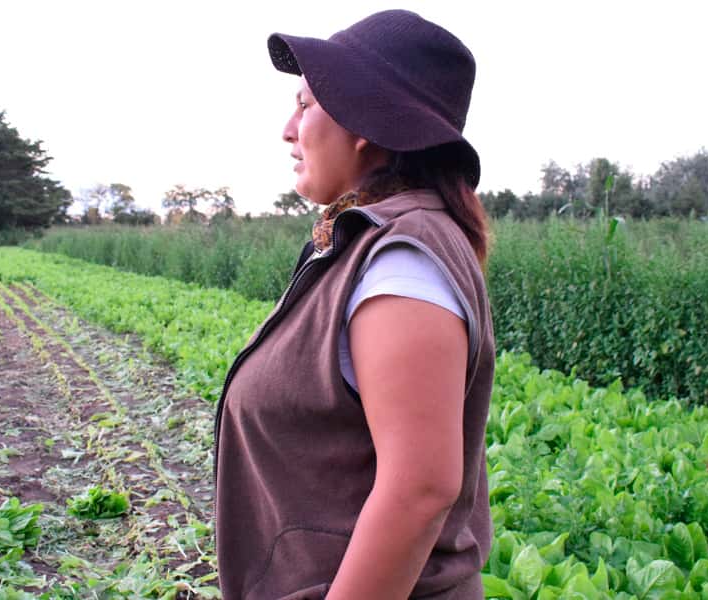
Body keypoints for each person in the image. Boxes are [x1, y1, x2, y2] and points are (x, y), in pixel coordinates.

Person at [213, 10, 495, 600]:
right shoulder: (366, 239)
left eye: (306, 104)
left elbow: (419, 489)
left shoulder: (402, 259)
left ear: (362, 119)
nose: (288, 129)